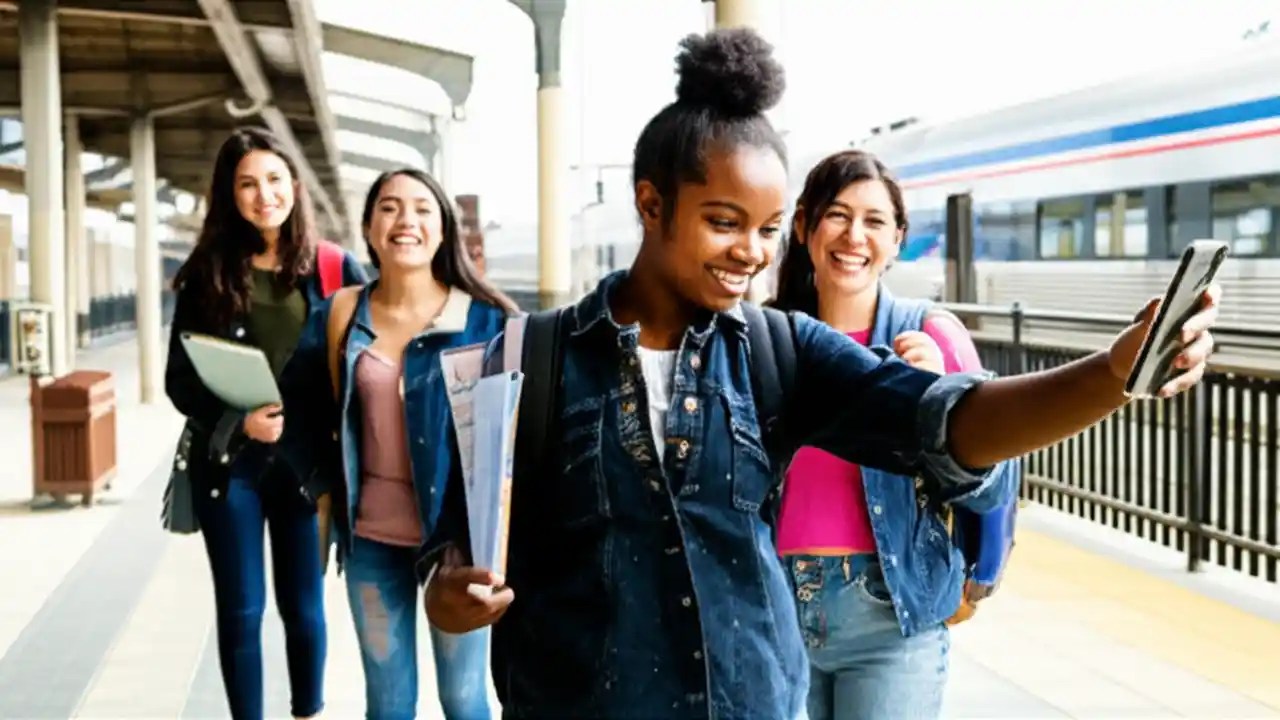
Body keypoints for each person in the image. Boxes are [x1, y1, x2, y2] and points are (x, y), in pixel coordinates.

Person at [418, 28, 1220, 720]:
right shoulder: (531, 357)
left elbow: (949, 419)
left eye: (768, 229)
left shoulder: (780, 351)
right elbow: (459, 551)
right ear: (651, 204)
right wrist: (451, 600)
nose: (752, 253)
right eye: (723, 223)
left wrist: (1114, 374)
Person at [770, 148, 1020, 719]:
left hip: (891, 620)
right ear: (805, 226)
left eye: (874, 221)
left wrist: (935, 401)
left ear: (897, 239)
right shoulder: (767, 336)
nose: (854, 235)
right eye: (837, 214)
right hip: (774, 610)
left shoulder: (931, 335)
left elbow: (995, 486)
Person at [165, 126, 367, 720]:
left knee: (305, 609)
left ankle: (308, 711)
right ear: (229, 195)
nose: (264, 195)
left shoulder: (334, 268)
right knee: (242, 610)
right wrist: (238, 418)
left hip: (307, 468)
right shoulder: (206, 273)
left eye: (274, 180)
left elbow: (363, 364)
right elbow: (180, 378)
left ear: (296, 186)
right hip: (231, 465)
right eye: (248, 184)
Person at [318, 168, 516, 720]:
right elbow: (306, 415)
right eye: (389, 207)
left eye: (423, 209)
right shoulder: (341, 316)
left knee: (464, 697)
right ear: (369, 227)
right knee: (388, 700)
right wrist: (317, 490)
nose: (406, 220)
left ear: (443, 229)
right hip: (371, 536)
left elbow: (517, 435)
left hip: (457, 543)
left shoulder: (486, 320)